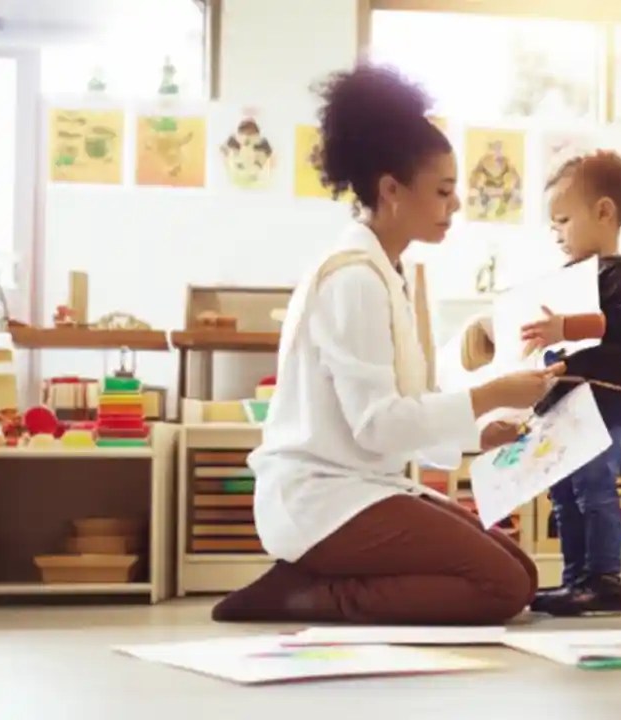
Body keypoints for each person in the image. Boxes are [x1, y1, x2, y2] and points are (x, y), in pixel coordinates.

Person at [211, 63, 560, 626]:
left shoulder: (389, 274)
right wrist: (492, 394)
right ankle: (304, 594)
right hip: (320, 497)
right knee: (503, 585)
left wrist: (477, 433)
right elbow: (378, 426)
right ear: (391, 190)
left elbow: (403, 411)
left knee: (518, 569)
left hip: (362, 485)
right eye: (443, 191)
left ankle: (318, 579)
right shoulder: (354, 279)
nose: (455, 205)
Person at [519, 151, 621, 616]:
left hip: (604, 402)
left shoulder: (618, 272)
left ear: (603, 212)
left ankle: (604, 579)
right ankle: (575, 580)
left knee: (594, 481)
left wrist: (568, 327)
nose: (556, 232)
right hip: (563, 402)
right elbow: (555, 346)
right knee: (563, 491)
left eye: (563, 220)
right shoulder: (565, 280)